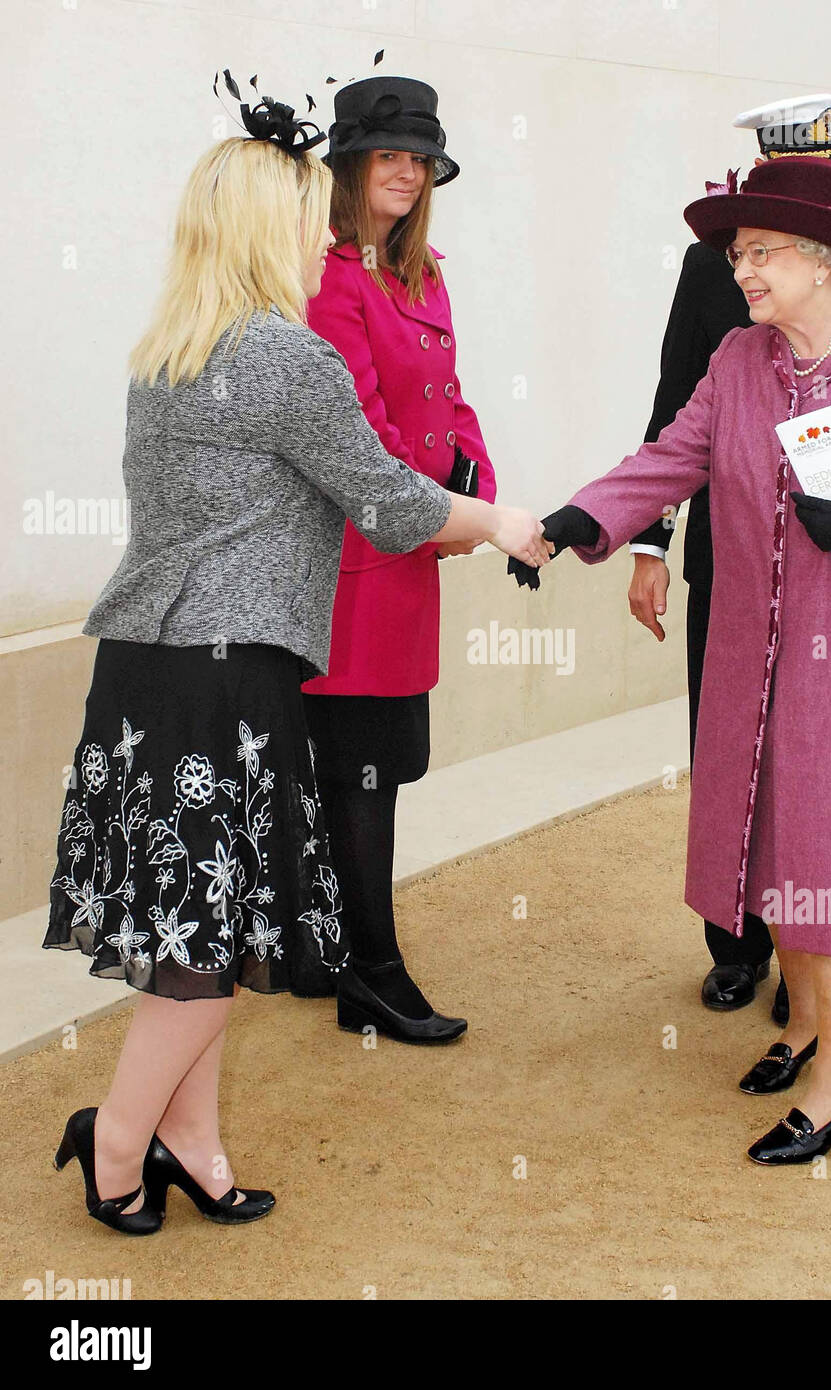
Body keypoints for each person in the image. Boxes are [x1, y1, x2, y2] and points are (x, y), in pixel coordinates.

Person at [45, 88, 550, 1234]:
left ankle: (193, 1141)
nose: (324, 234)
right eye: (306, 215)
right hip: (226, 677)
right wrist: (505, 521)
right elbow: (388, 499)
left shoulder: (164, 353)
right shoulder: (285, 356)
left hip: (144, 671)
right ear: (270, 228)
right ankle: (114, 1141)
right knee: (204, 953)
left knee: (203, 932)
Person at [513, 157, 831, 1162]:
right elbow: (671, 457)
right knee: (774, 842)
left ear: (822, 260)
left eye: (758, 253)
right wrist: (579, 521)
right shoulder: (741, 358)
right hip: (749, 653)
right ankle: (804, 1024)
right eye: (736, 255)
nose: (740, 271)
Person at [627, 95, 831, 1026]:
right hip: (735, 564)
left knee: (823, 780)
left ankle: (811, 988)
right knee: (734, 755)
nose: (748, 267)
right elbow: (677, 406)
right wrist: (647, 539)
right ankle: (738, 947)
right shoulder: (717, 275)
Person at [292, 77, 492, 1043]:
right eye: (390, 156)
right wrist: (451, 508)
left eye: (421, 158)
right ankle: (370, 970)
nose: (409, 172)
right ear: (350, 167)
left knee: (377, 762)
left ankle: (324, 950)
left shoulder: (422, 272)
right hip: (354, 564)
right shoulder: (330, 277)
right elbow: (358, 434)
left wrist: (476, 490)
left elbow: (452, 402)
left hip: (409, 549)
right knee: (359, 766)